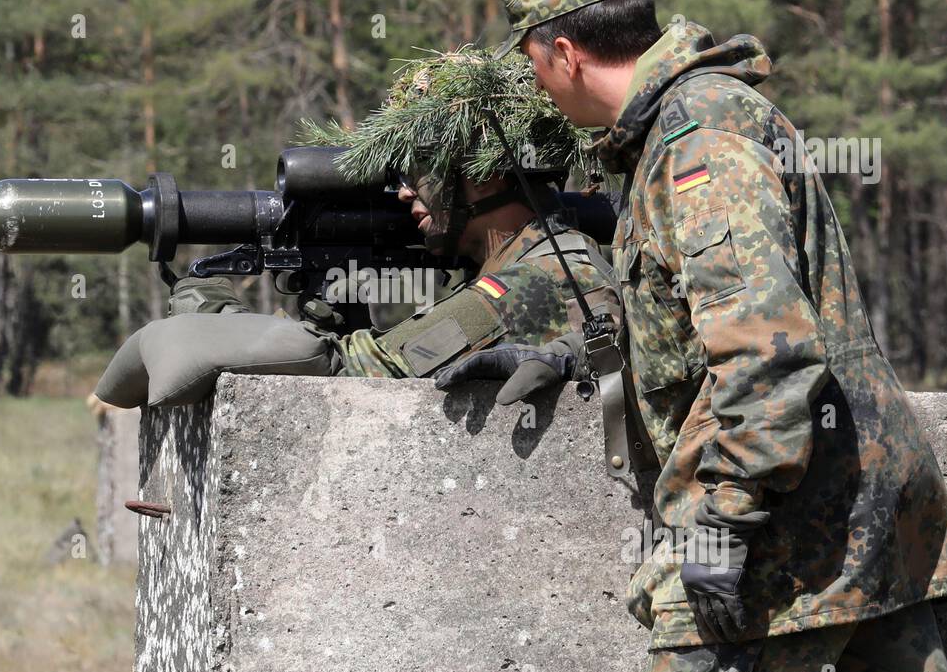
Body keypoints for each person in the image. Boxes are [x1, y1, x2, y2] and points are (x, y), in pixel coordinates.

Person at [438, 0, 947, 672]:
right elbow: (686, 321)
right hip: (853, 514)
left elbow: (767, 350)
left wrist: (720, 528)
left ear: (564, 52)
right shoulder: (680, 129)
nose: (536, 85)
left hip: (783, 528)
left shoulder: (698, 142)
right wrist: (566, 356)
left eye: (531, 63)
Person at [95, 48, 617, 405]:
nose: (407, 191)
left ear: (488, 174)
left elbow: (358, 373)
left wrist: (212, 311)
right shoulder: (516, 261)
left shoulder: (538, 279)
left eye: (421, 171)